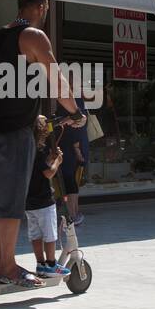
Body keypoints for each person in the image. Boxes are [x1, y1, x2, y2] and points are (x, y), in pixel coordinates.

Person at [0, 0, 85, 288]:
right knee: (12, 200)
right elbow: (57, 79)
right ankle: (9, 267)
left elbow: (4, 82)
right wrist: (75, 111)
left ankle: (3, 264)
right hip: (14, 132)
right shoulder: (34, 37)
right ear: (39, 8)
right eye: (47, 9)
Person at [26, 115, 70, 278]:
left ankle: (41, 264)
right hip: (43, 199)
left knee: (35, 234)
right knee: (50, 234)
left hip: (29, 200)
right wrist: (58, 161)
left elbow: (41, 166)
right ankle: (51, 264)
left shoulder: (29, 148)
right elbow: (48, 172)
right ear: (42, 129)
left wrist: (51, 158)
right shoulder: (40, 148)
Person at [59, 96, 89, 225]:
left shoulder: (73, 101)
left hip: (69, 147)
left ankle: (72, 214)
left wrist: (77, 149)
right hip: (68, 146)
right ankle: (73, 213)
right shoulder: (71, 99)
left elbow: (78, 126)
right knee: (70, 180)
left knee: (69, 180)